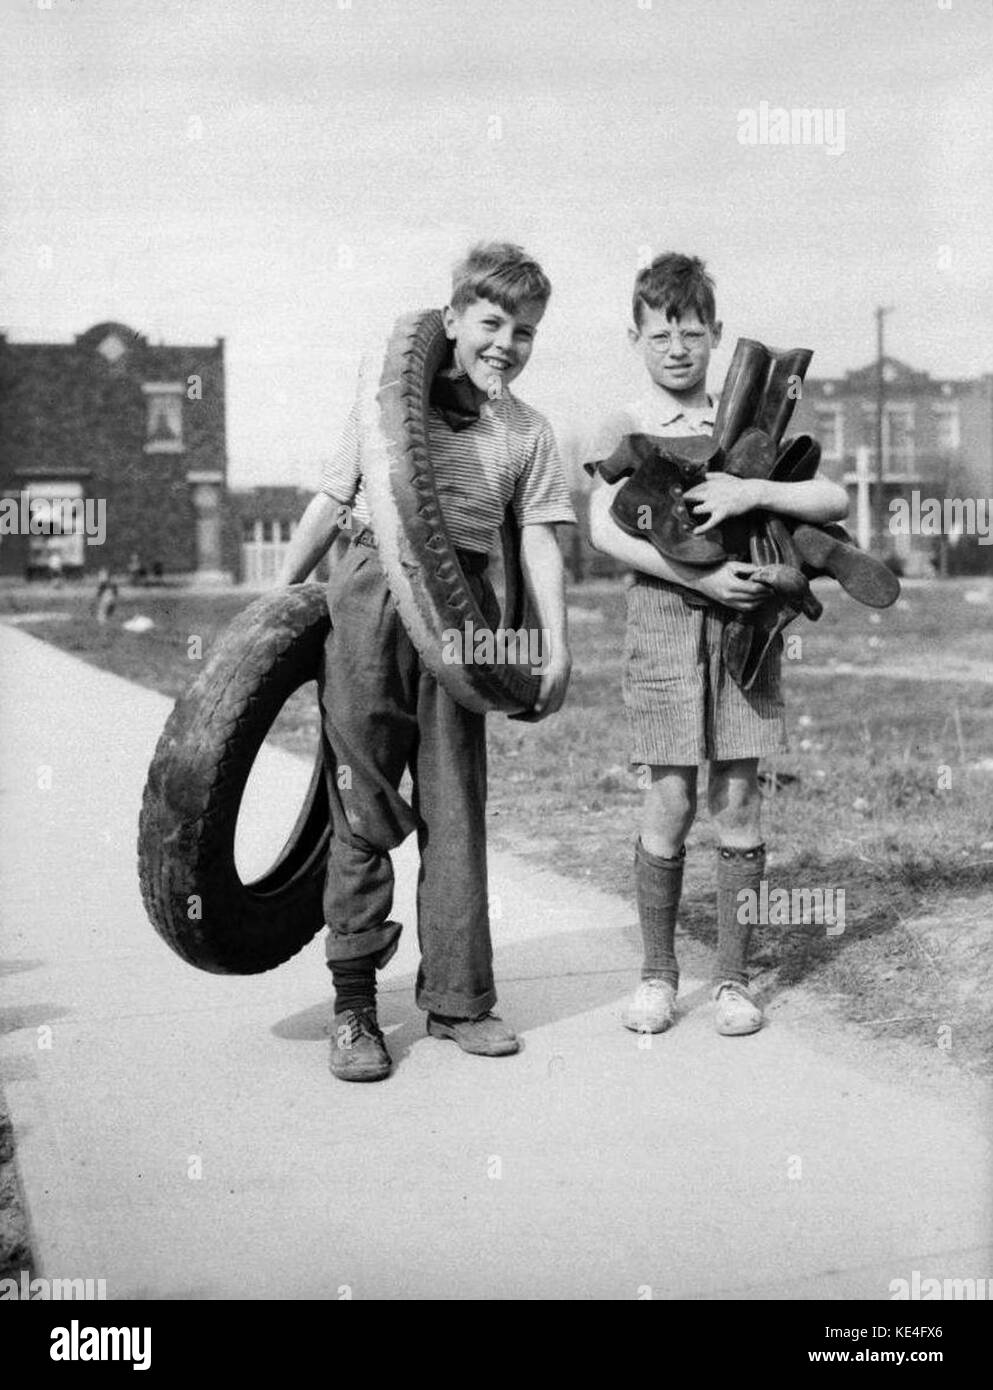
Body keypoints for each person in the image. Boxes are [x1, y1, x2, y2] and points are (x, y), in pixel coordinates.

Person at [278, 242, 576, 1081]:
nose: (505, 344)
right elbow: (334, 497)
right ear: (451, 320)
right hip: (371, 591)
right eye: (490, 323)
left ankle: (457, 1002)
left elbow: (542, 539)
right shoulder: (386, 405)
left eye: (524, 332)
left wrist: (553, 643)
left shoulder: (527, 431)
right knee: (361, 802)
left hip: (466, 619)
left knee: (455, 806)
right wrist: (275, 603)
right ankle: (354, 1011)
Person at [587, 253, 848, 1037]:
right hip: (665, 622)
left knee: (737, 795)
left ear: (716, 336)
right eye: (659, 332)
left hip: (749, 630)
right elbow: (604, 528)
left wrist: (753, 490)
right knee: (668, 798)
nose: (676, 346)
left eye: (692, 332)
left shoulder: (749, 427)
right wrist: (697, 581)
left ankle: (733, 980)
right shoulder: (625, 426)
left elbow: (830, 496)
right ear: (634, 336)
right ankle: (657, 976)